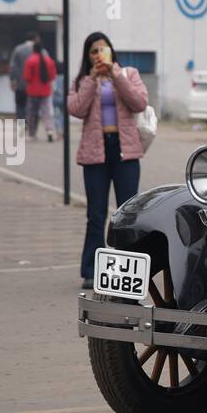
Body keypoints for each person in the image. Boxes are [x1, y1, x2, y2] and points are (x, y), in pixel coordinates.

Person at [68, 31, 149, 290]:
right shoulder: (82, 79)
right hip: (95, 152)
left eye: (103, 50)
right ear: (87, 56)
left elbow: (139, 103)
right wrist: (91, 79)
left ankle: (128, 272)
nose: (99, 55)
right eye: (94, 51)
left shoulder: (128, 74)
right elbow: (76, 109)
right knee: (96, 214)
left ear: (112, 52)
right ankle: (91, 271)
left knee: (127, 213)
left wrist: (115, 76)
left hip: (124, 150)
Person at [22, 35, 57, 142]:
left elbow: (27, 76)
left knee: (32, 113)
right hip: (45, 90)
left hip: (33, 91)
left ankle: (32, 133)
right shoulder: (49, 60)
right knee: (46, 112)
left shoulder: (30, 60)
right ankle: (49, 130)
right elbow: (52, 76)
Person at [9, 33, 35, 129]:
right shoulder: (40, 51)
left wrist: (13, 80)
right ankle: (30, 125)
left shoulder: (18, 49)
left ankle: (21, 125)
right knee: (31, 106)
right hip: (33, 85)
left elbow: (13, 67)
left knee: (20, 105)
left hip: (20, 84)